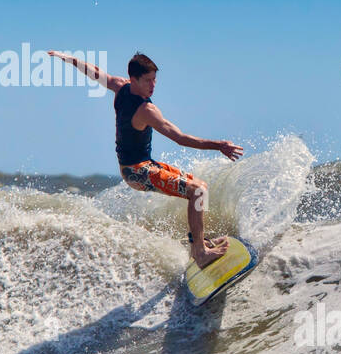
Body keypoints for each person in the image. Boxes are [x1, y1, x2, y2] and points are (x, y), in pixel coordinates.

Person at [48, 50, 243, 267]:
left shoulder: (120, 86)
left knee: (201, 186)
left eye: (155, 79)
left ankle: (199, 242)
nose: (153, 85)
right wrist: (219, 146)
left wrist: (68, 58)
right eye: (148, 80)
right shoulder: (146, 110)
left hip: (141, 165)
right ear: (134, 79)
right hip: (136, 171)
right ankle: (199, 252)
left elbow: (94, 72)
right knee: (196, 191)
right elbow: (179, 138)